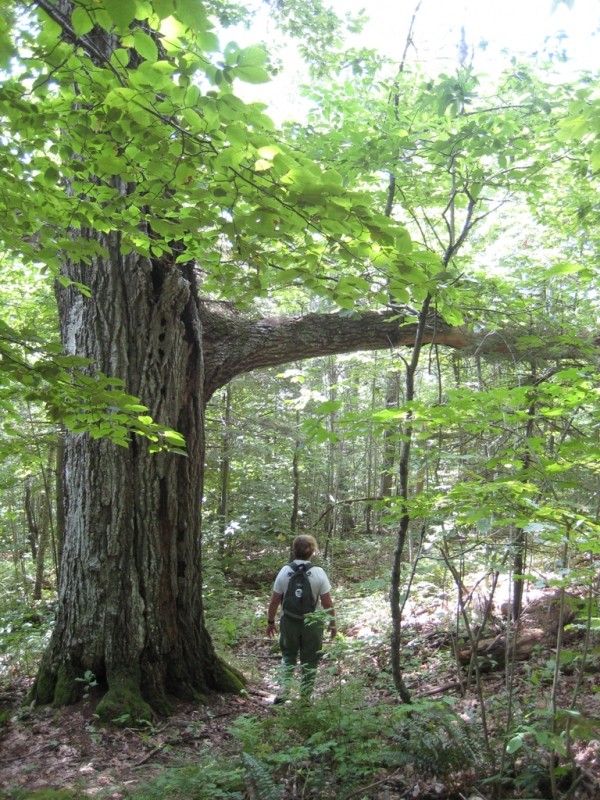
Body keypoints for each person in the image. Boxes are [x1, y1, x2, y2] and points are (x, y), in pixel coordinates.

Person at [266, 534, 336, 703]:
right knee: (310, 660)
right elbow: (327, 602)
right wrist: (332, 623)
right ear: (313, 551)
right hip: (312, 623)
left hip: (289, 621)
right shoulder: (318, 573)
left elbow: (275, 600)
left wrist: (270, 622)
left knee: (288, 656)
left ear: (294, 550)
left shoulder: (285, 571)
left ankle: (283, 694)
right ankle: (305, 699)